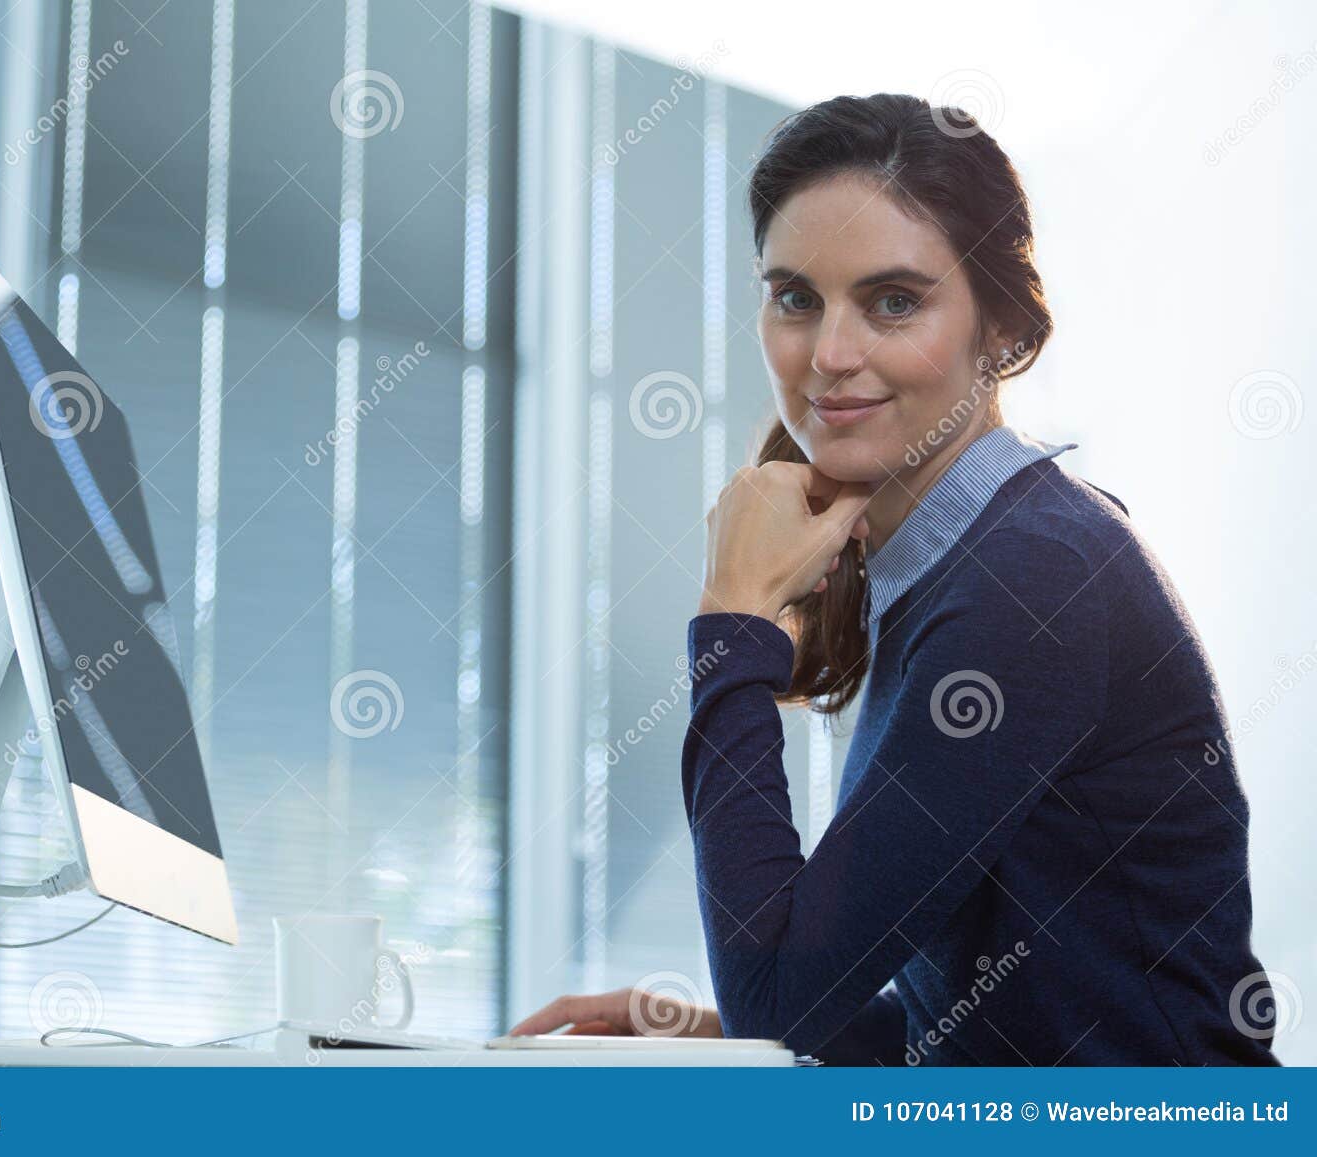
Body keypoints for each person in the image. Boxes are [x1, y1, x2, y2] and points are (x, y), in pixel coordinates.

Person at [511, 93, 1278, 1065]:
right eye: (795, 296)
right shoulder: (968, 560)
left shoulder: (1031, 581)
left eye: (893, 300)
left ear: (998, 328)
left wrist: (733, 615)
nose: (829, 356)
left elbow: (780, 1002)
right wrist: (695, 1028)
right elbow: (984, 1020)